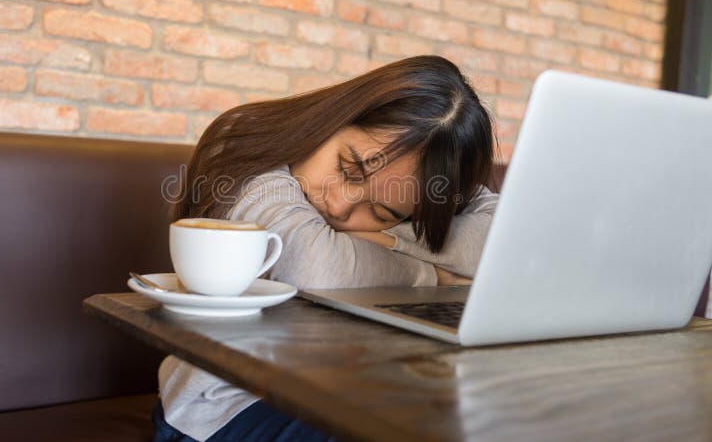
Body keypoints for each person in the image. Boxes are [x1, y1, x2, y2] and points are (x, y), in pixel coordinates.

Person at [153, 55, 501, 441]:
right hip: (225, 407)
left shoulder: (415, 186)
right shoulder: (248, 149)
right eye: (348, 168)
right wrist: (429, 274)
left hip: (351, 389)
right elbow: (311, 266)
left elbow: (501, 238)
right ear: (336, 118)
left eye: (384, 211)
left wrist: (384, 241)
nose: (339, 205)